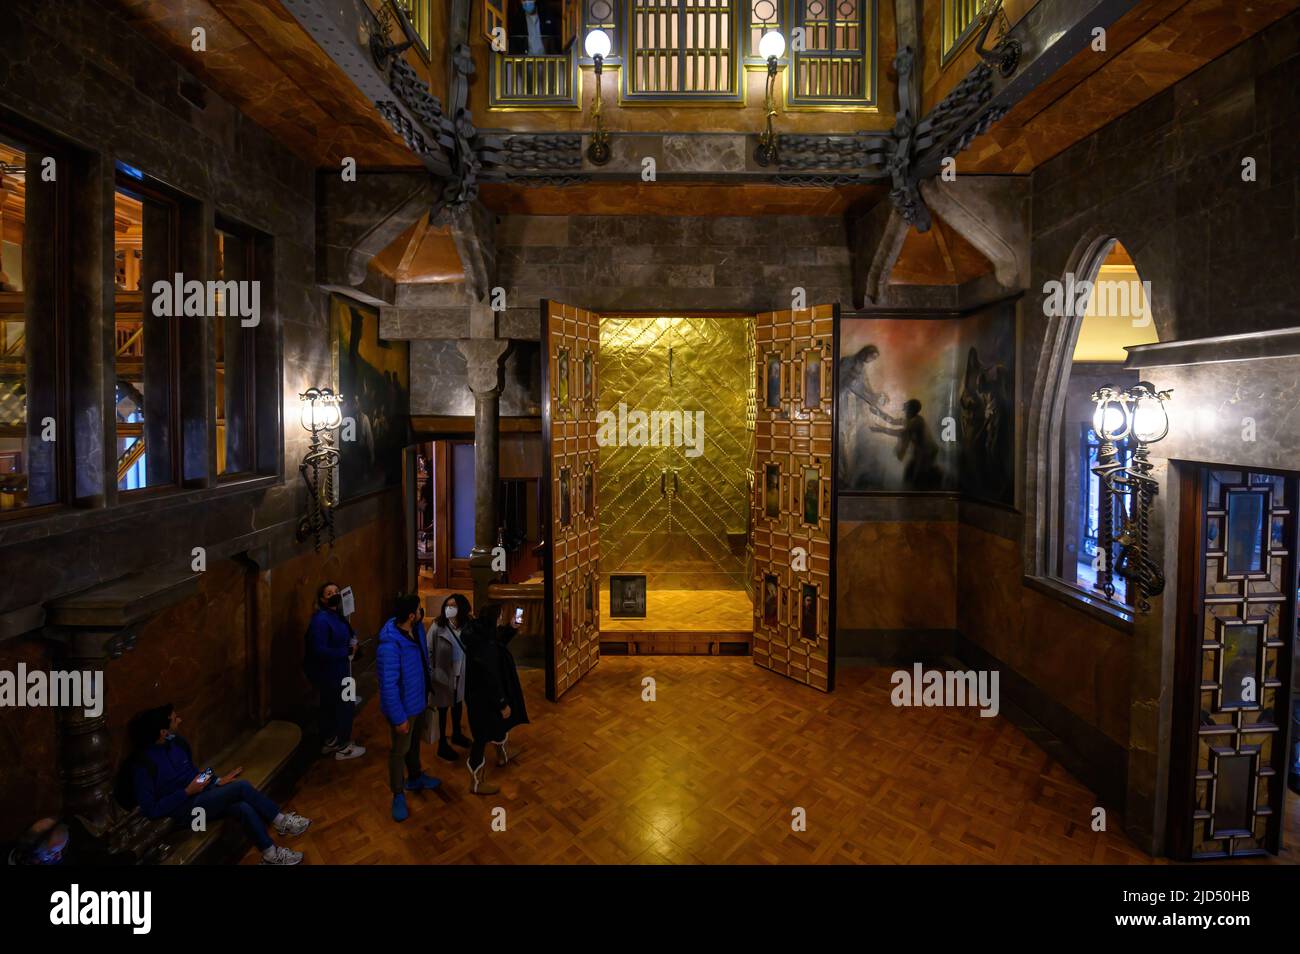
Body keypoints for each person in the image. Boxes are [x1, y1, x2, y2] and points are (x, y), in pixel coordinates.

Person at [127, 704, 310, 866]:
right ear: (162, 732)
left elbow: (195, 771)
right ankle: (281, 821)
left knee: (242, 807)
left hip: (202, 795)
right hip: (185, 810)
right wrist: (186, 792)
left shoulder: (178, 743)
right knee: (242, 787)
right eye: (175, 719)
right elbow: (150, 809)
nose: (180, 720)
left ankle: (270, 854)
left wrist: (216, 780)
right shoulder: (144, 766)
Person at [376, 593, 441, 822]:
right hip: (404, 708)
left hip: (419, 699)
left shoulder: (417, 630)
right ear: (411, 615)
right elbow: (388, 685)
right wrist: (398, 718)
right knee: (399, 751)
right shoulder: (390, 644)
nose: (422, 612)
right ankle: (398, 793)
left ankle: (415, 777)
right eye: (419, 609)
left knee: (414, 745)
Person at [463, 603, 530, 795]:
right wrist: (501, 702)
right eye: (500, 617)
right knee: (481, 737)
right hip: (484, 700)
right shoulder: (483, 646)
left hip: (484, 697)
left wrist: (511, 628)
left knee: (498, 725)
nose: (501, 619)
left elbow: (497, 642)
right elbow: (489, 677)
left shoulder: (482, 634)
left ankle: (503, 755)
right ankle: (476, 782)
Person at [304, 581, 365, 760]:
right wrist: (345, 652)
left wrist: (354, 641)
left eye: (336, 591)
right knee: (345, 707)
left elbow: (347, 633)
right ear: (322, 600)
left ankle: (331, 741)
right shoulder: (321, 620)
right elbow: (319, 650)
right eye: (329, 593)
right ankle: (344, 747)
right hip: (333, 673)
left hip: (341, 670)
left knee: (331, 707)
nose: (334, 595)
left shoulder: (337, 615)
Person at [427, 593, 473, 762]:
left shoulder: (467, 625)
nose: (449, 608)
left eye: (453, 605)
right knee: (442, 708)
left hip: (461, 671)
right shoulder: (437, 626)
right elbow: (428, 650)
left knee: (458, 703)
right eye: (447, 605)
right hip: (442, 675)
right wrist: (432, 673)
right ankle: (442, 744)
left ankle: (456, 733)